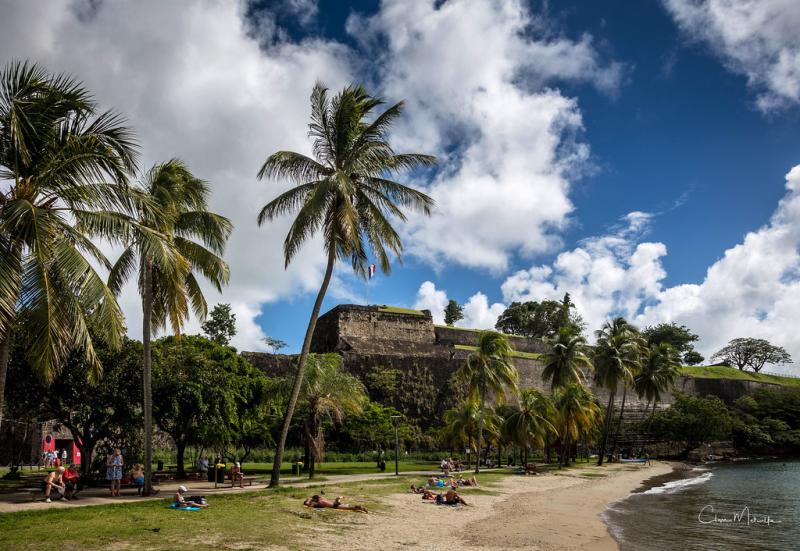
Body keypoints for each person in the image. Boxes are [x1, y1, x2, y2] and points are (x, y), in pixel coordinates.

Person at [303, 494, 368, 513]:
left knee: (350, 507)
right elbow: (316, 497)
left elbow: (309, 506)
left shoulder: (320, 502)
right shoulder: (321, 498)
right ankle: (339, 497)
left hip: (335, 505)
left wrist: (311, 501)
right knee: (347, 505)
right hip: (334, 502)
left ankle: (361, 508)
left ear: (314, 499)